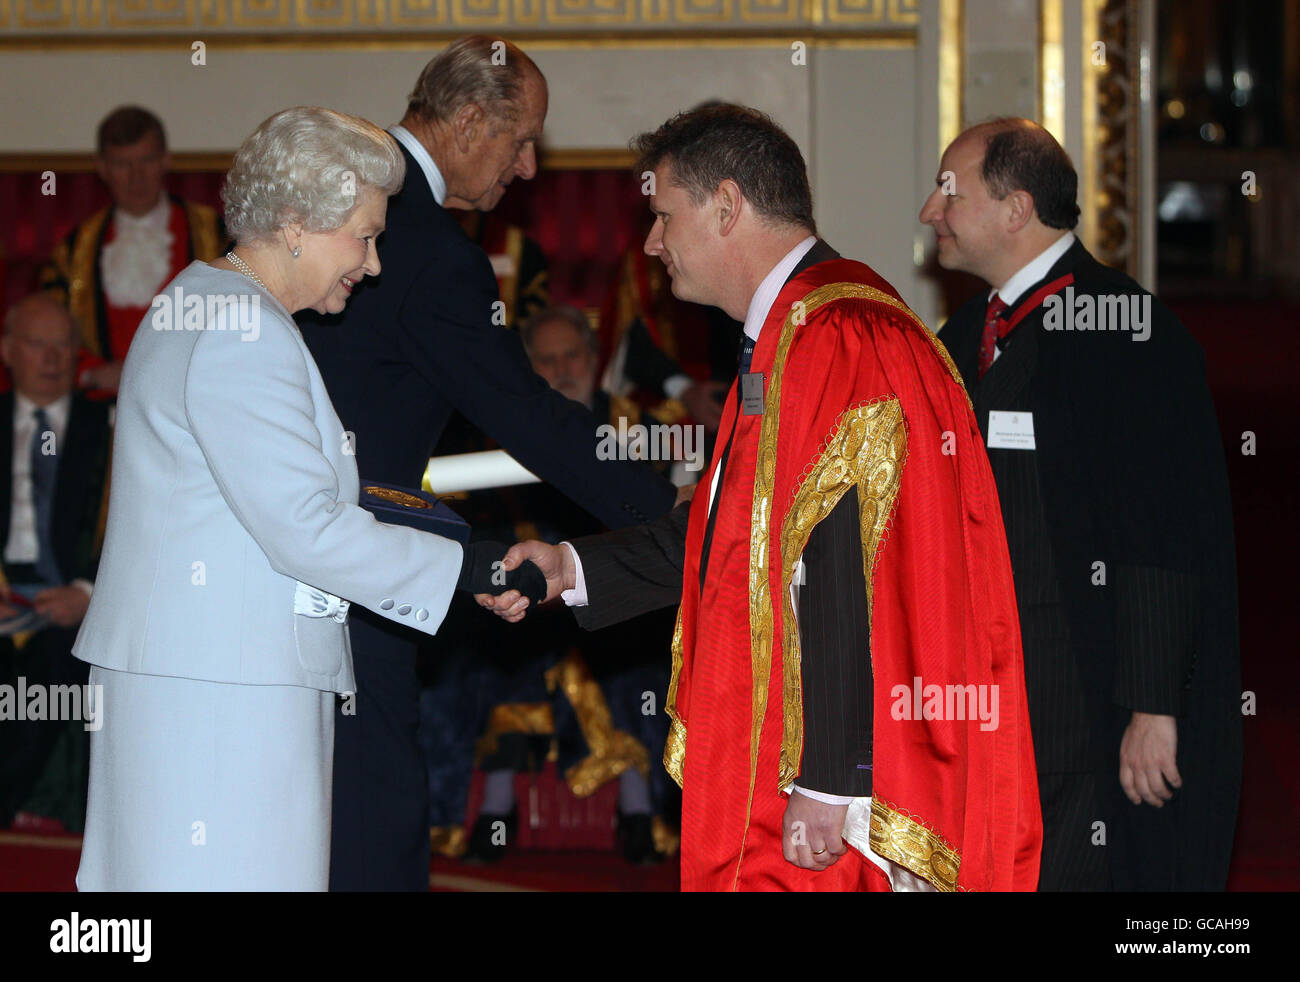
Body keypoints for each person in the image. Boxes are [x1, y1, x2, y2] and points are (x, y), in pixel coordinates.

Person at [483, 104, 1043, 892]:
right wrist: (569, 566)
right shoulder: (790, 329)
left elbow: (843, 557)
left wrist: (833, 774)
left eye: (662, 216)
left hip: (817, 776)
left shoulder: (837, 331)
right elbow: (728, 535)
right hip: (783, 749)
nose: (650, 244)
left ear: (725, 205)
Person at [70, 107, 538, 891]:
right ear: (295, 223)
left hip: (201, 678)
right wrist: (470, 570)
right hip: (223, 693)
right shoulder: (243, 331)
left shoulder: (205, 298)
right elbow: (306, 529)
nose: (375, 263)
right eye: (364, 235)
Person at [300, 35, 676, 891]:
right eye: (523, 139)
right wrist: (675, 521)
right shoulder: (428, 248)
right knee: (372, 817)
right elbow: (529, 418)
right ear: (469, 121)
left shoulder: (334, 189)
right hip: (356, 574)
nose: (532, 166)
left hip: (295, 557)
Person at [918, 118, 1241, 891]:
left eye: (950, 191)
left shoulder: (1129, 331)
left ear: (1015, 209)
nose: (931, 210)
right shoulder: (964, 334)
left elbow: (1163, 529)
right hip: (984, 690)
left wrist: (1154, 707)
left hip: (1085, 696)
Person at [0, 295, 111, 830]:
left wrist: (88, 593)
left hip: (78, 594)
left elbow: (138, 526)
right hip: (4, 588)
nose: (51, 357)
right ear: (7, 351)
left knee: (52, 672)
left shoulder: (113, 429)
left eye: (63, 344)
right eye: (36, 343)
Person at [38, 106, 226, 396]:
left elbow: (244, 319)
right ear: (101, 167)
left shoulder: (216, 235)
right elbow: (48, 334)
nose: (136, 177)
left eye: (147, 161)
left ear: (166, 160)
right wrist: (90, 373)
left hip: (192, 401)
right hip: (97, 413)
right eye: (122, 164)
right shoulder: (73, 252)